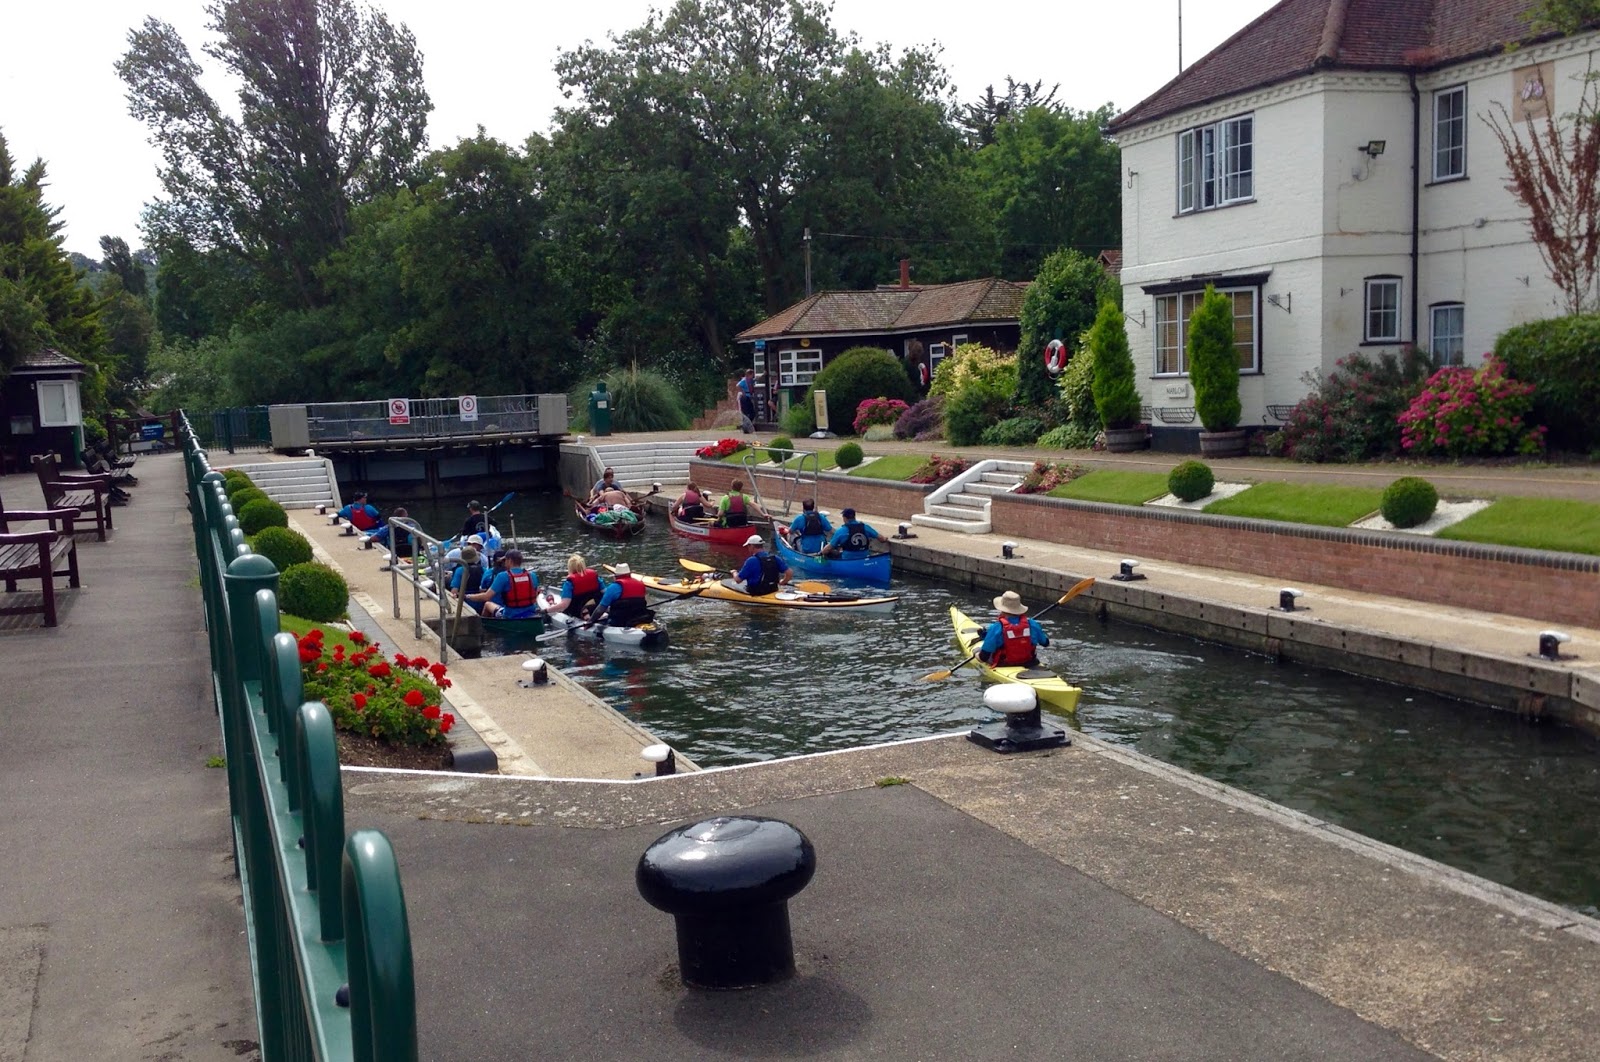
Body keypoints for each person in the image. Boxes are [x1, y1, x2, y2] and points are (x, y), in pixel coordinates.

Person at [977, 590, 1051, 668]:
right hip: (1029, 663)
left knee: (977, 651)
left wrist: (977, 655)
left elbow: (983, 657)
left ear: (1002, 610)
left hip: (1004, 665)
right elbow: (1046, 643)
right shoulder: (1032, 623)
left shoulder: (996, 627)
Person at [467, 548, 540, 619]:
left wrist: (468, 596)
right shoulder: (532, 575)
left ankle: (484, 625)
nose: (504, 562)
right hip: (531, 613)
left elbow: (486, 597)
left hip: (510, 615)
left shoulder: (503, 576)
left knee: (487, 604)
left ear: (510, 561)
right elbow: (536, 595)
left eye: (505, 560)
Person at [591, 562, 653, 627]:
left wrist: (591, 621)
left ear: (615, 576)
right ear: (630, 574)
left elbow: (600, 609)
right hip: (639, 618)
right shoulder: (641, 584)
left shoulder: (613, 588)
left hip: (620, 622)